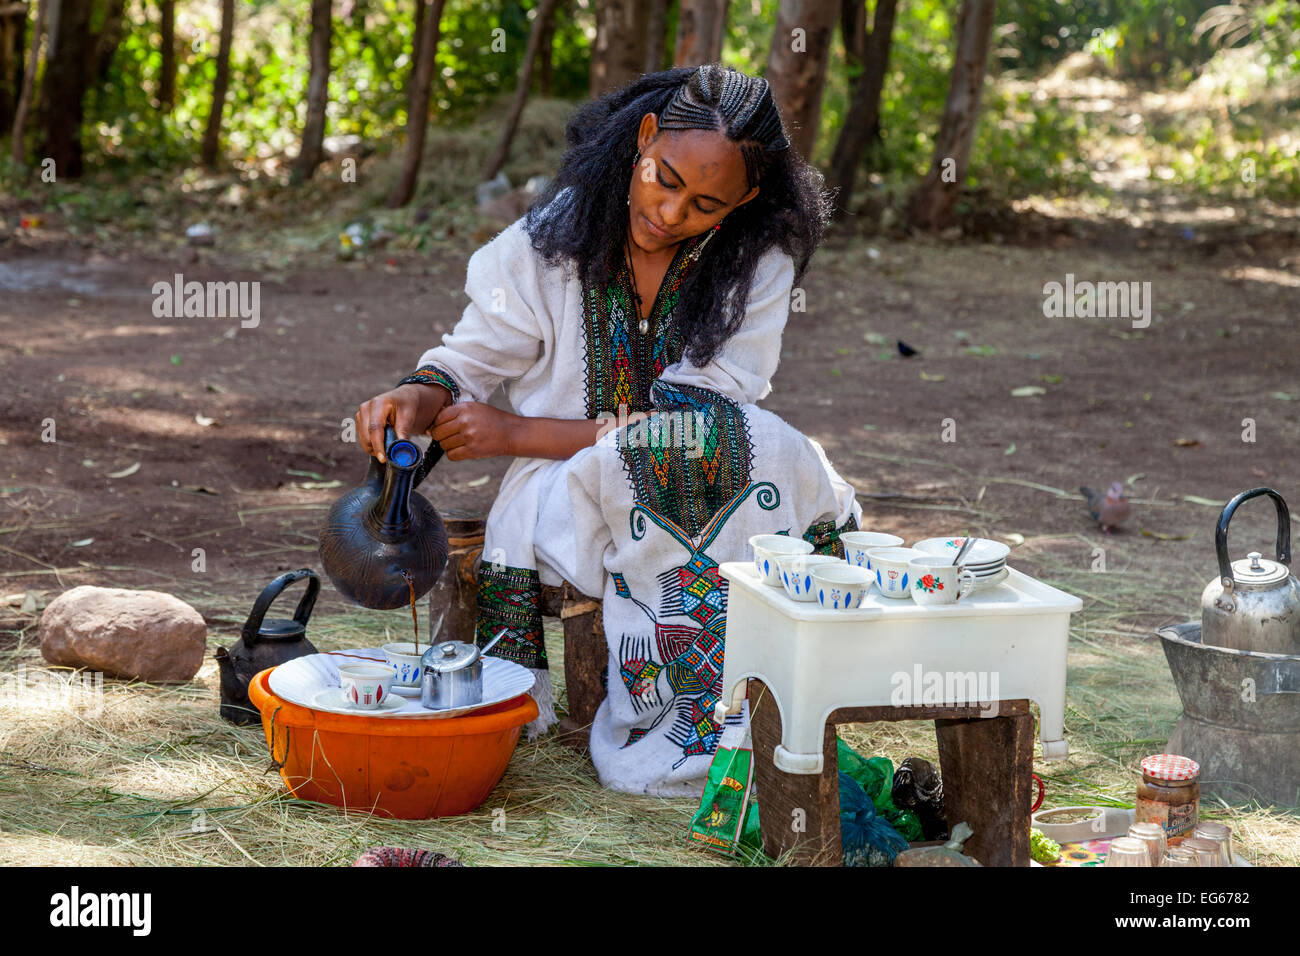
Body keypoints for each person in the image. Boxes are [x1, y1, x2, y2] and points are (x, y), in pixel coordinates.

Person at [356, 65, 860, 796]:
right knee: (729, 450)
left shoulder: (758, 261)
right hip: (567, 500)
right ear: (645, 138)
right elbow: (470, 358)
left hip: (703, 473)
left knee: (770, 448)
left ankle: (743, 720)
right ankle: (680, 737)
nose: (671, 212)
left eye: (705, 204)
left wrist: (514, 434)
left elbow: (697, 425)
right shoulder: (549, 241)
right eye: (664, 179)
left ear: (744, 201)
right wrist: (418, 392)